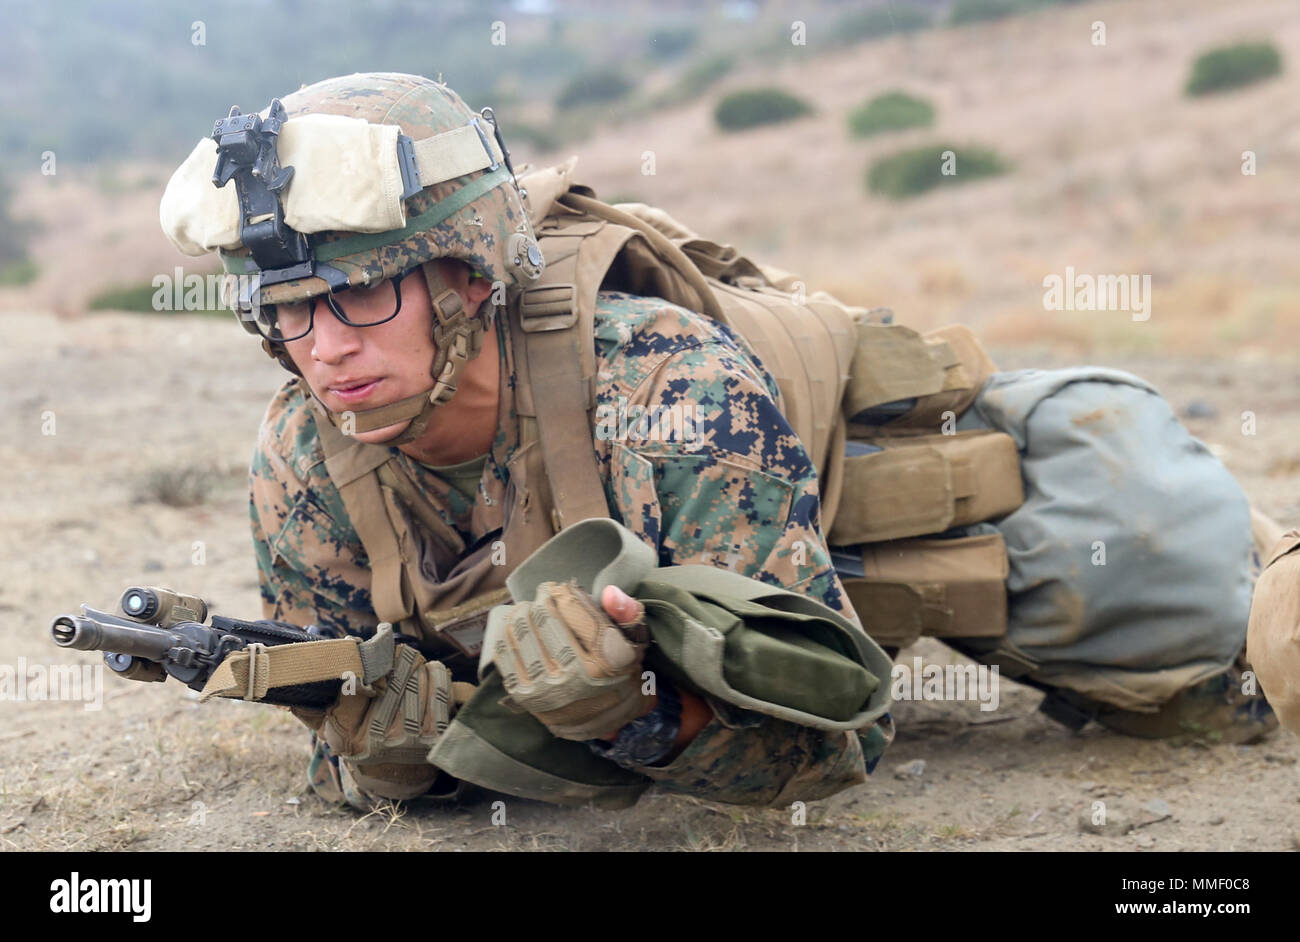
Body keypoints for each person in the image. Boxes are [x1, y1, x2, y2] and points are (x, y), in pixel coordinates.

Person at [161, 71, 1275, 813]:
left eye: (357, 299)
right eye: (289, 313)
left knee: (1195, 660)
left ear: (465, 280)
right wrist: (394, 745)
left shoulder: (664, 386)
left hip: (868, 491)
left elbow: (839, 751)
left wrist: (636, 717)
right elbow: (350, 764)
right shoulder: (308, 456)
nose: (322, 351)